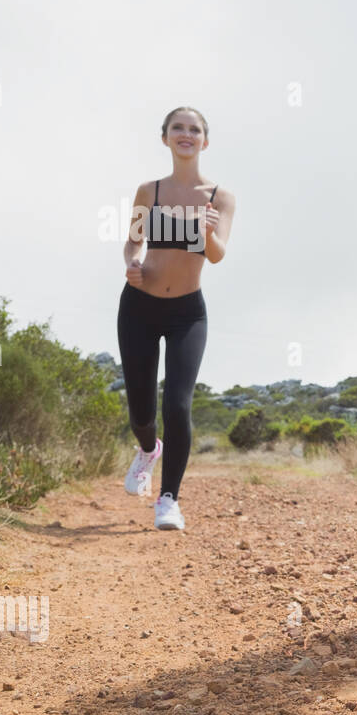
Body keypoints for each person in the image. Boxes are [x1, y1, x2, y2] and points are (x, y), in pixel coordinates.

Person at [118, 107, 235, 531]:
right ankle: (148, 448)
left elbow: (218, 254)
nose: (186, 134)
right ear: (165, 137)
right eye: (178, 128)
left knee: (178, 403)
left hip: (188, 312)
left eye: (195, 129)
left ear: (205, 141)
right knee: (141, 410)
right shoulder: (148, 191)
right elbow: (133, 243)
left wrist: (207, 233)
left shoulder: (219, 196)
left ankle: (168, 499)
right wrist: (133, 263)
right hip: (139, 306)